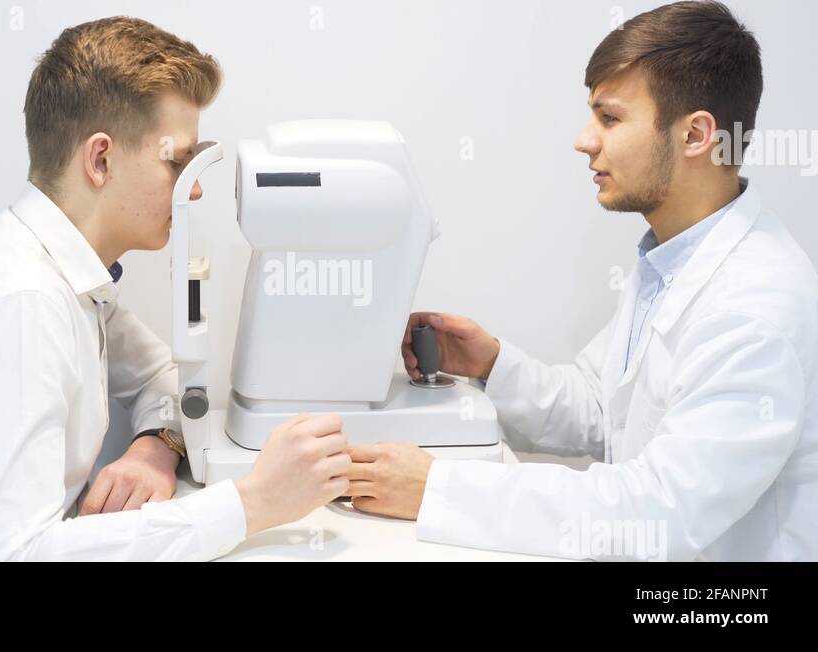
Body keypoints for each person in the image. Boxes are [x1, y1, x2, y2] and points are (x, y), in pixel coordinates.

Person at [0, 17, 350, 561]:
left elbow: (161, 377)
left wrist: (156, 447)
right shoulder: (18, 303)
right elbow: (17, 557)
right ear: (100, 160)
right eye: (177, 162)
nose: (194, 187)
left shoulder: (69, 276)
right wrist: (254, 503)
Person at [345, 1, 818, 561]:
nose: (583, 140)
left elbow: (656, 512)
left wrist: (437, 489)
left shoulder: (754, 305)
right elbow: (604, 413)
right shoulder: (673, 259)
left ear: (695, 135)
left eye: (610, 118)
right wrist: (491, 364)